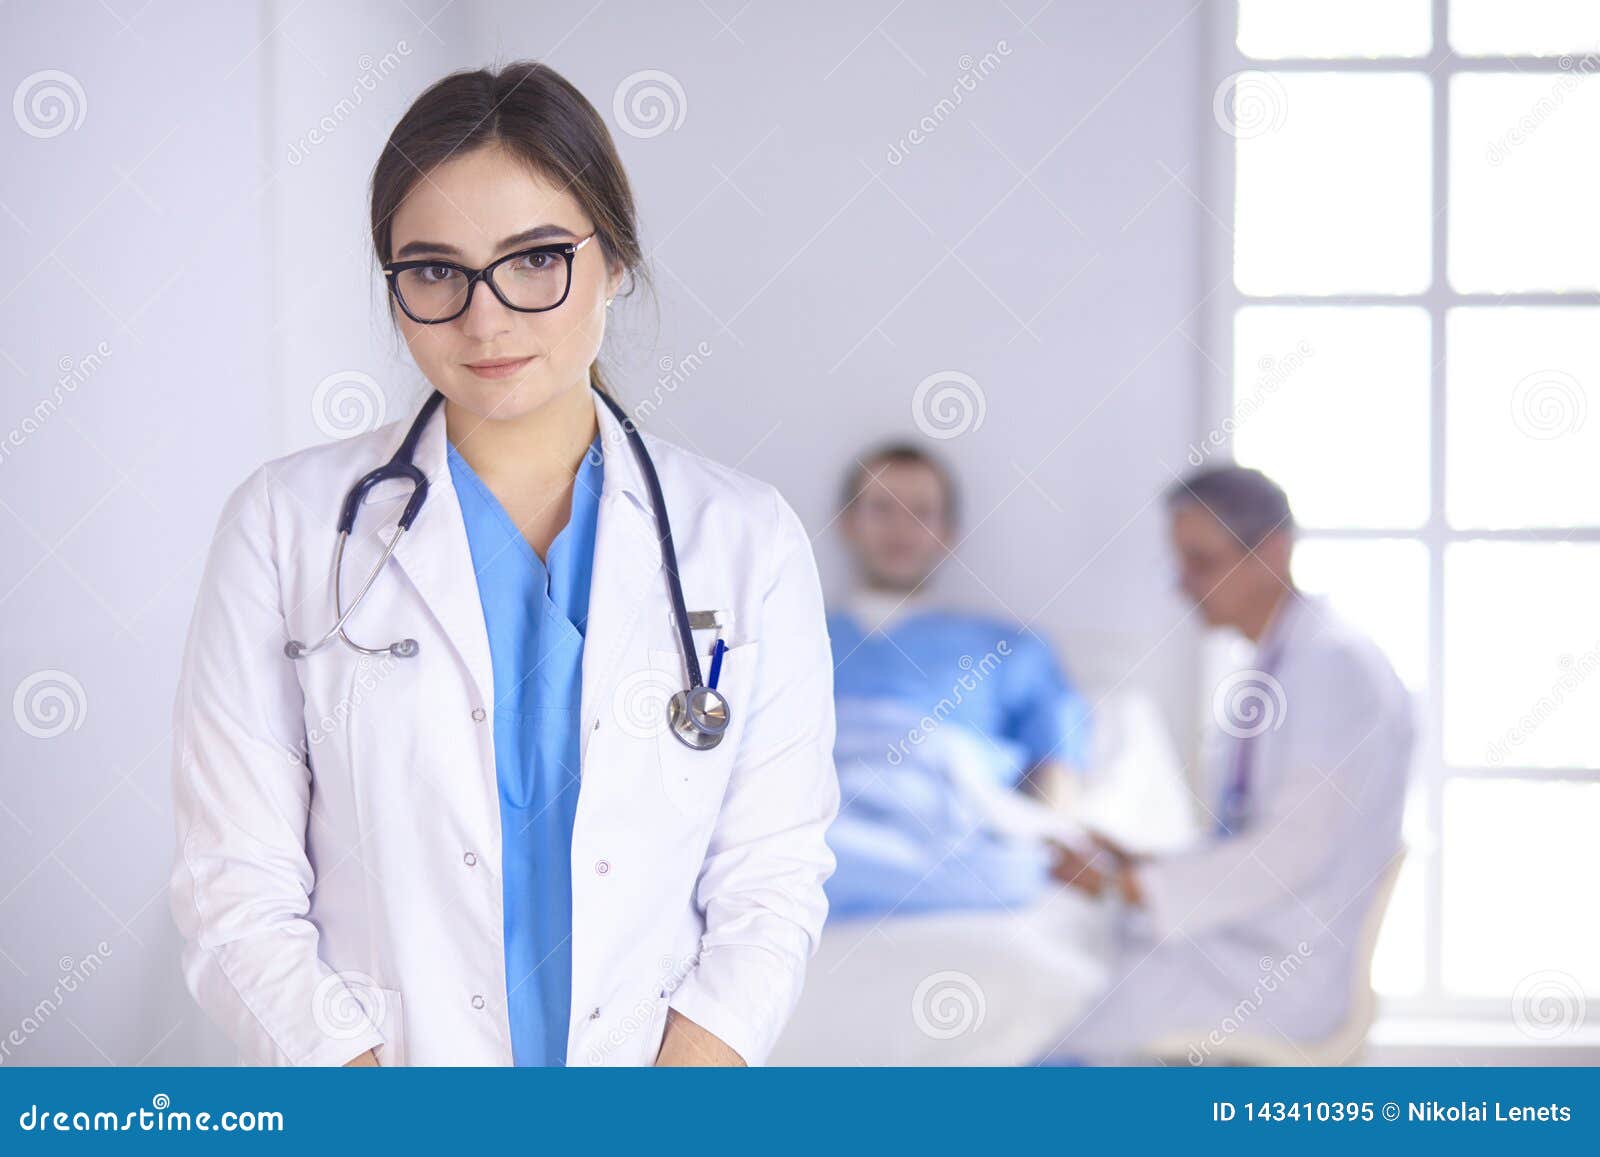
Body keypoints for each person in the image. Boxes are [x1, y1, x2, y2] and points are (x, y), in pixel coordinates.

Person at [167, 62, 839, 1068]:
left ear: (612, 260)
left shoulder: (746, 539)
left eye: (533, 260)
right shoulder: (286, 526)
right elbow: (234, 885)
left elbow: (770, 878)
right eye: (434, 269)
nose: (484, 320)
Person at [1043, 465, 1414, 1062]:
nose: (1182, 584)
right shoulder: (1282, 664)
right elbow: (1251, 834)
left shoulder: (1333, 667)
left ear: (1271, 553)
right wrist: (1141, 860)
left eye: (1200, 561)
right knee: (1068, 981)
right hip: (1252, 942)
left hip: (1280, 971)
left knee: (1055, 1019)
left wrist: (1123, 883)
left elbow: (1294, 848)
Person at [824, 443, 1092, 916]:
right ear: (848, 523)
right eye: (882, 508)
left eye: (921, 512)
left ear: (947, 533)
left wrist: (1055, 835)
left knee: (1013, 869)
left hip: (947, 822)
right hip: (830, 814)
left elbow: (1057, 765)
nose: (900, 529)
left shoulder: (1010, 649)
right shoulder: (796, 637)